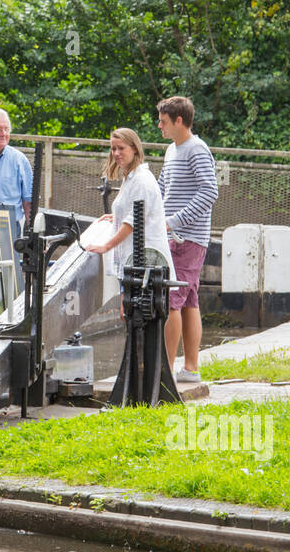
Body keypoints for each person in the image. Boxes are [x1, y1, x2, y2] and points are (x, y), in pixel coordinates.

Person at [156, 96, 219, 382]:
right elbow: (161, 189)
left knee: (171, 299)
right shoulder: (172, 150)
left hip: (186, 238)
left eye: (164, 121)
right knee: (189, 301)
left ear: (179, 120)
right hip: (174, 235)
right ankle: (190, 369)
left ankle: (166, 371)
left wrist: (173, 222)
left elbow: (209, 193)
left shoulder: (197, 149)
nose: (160, 126)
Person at [84, 128, 173, 316]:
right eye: (113, 149)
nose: (116, 153)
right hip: (131, 261)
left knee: (136, 315)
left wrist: (105, 246)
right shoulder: (130, 178)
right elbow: (131, 212)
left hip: (144, 261)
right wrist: (115, 217)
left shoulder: (141, 181)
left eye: (121, 148)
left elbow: (133, 222)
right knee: (129, 312)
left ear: (134, 149)